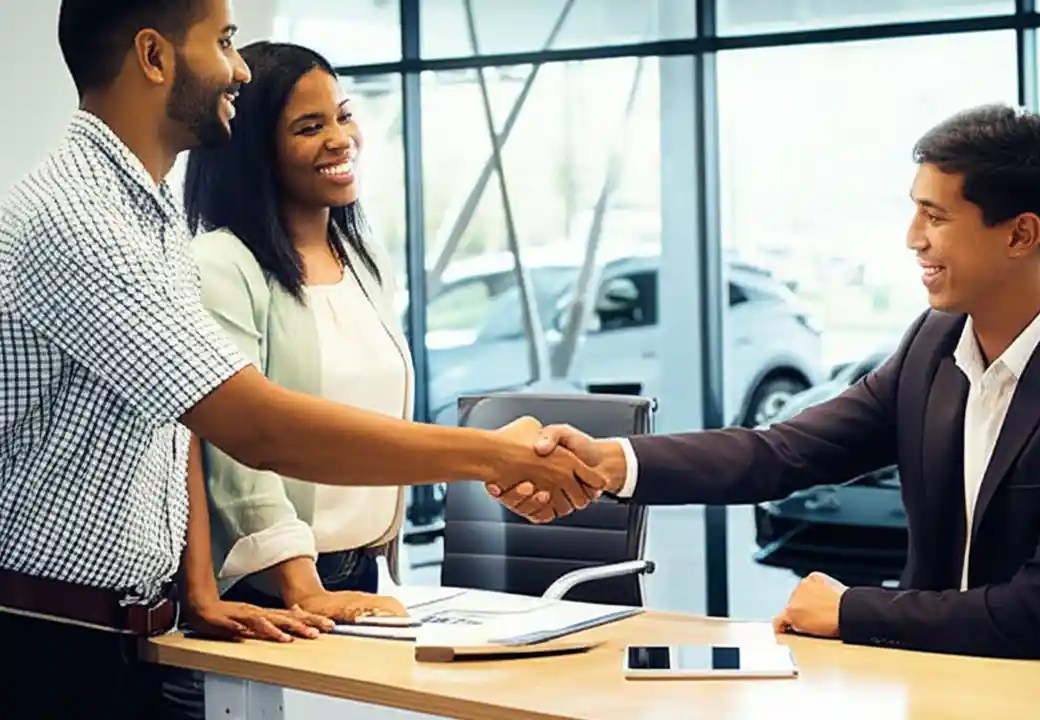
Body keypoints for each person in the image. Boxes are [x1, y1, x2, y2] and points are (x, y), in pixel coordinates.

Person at [0, 2, 598, 717]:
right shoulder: (78, 222)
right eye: (222, 43)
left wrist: (197, 590)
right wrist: (490, 456)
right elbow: (256, 427)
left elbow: (175, 428)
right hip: (49, 643)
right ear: (155, 58)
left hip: (131, 630)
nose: (239, 68)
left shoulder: (146, 214)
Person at [493, 104, 1040, 660]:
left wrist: (849, 607)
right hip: (932, 681)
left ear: (1020, 234)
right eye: (915, 210)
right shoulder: (935, 342)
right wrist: (612, 461)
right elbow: (783, 451)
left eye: (936, 216)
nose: (912, 237)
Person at [183, 41, 412, 619]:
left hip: (359, 571)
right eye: (310, 127)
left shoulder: (365, 261)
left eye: (344, 114)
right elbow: (237, 450)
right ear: (257, 150)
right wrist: (302, 586)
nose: (340, 139)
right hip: (273, 587)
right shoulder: (221, 264)